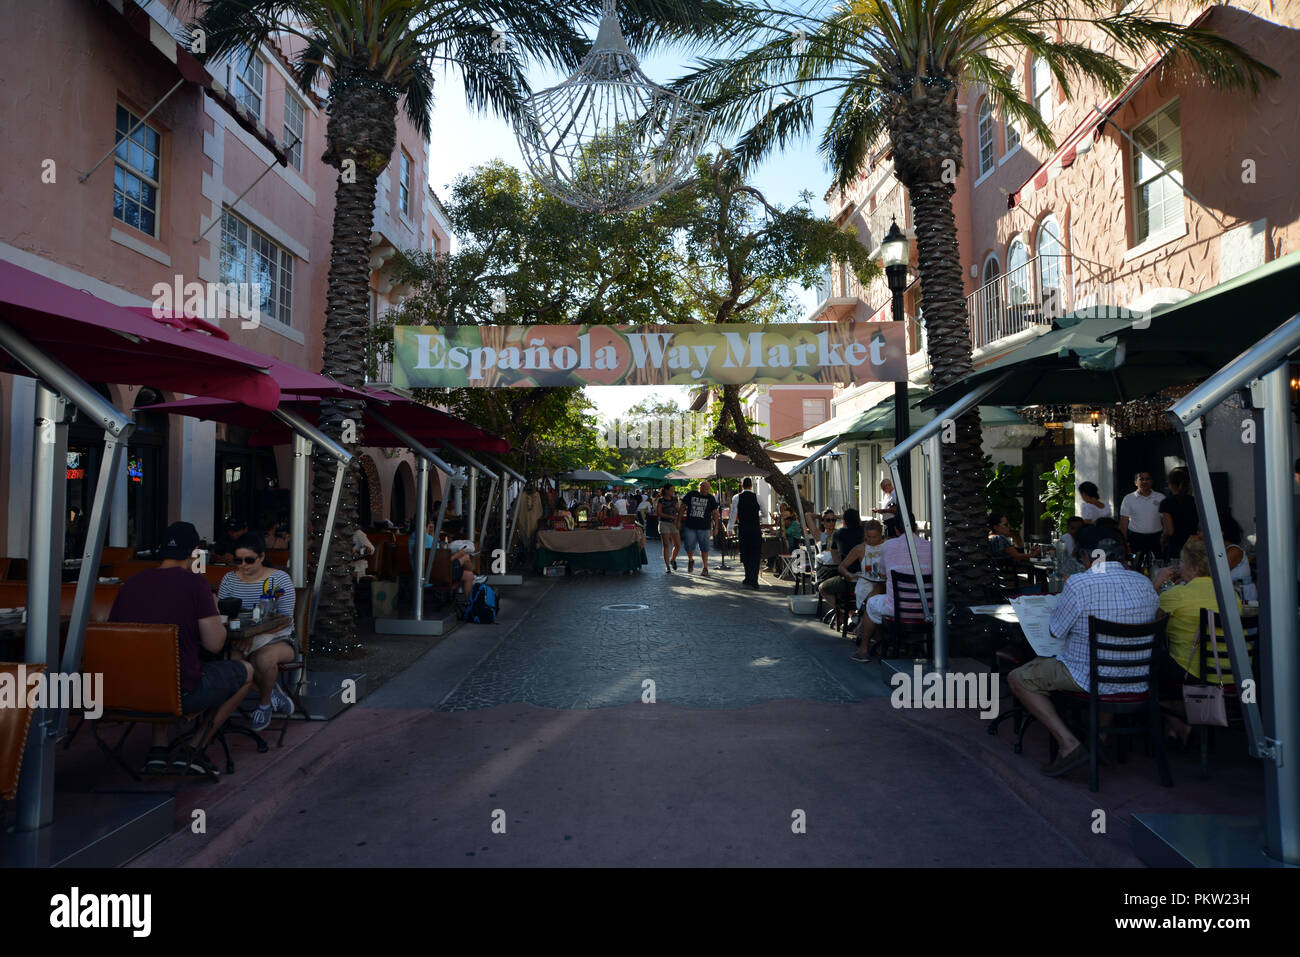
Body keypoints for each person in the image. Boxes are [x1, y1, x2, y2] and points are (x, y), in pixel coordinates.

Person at [108, 521, 253, 776]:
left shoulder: (130, 584)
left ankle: (158, 749)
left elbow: (115, 636)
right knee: (245, 670)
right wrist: (214, 608)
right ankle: (194, 748)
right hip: (181, 694)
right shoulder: (195, 584)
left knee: (160, 665)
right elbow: (215, 644)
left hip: (128, 692)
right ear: (194, 552)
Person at [1007, 538, 1160, 777]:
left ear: (1090, 557)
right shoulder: (1145, 582)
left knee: (1018, 678)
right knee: (1105, 666)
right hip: (1138, 677)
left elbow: (1055, 631)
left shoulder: (1080, 583)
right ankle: (1099, 739)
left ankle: (1069, 745)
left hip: (1089, 676)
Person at [1152, 538, 1242, 745]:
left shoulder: (1177, 595)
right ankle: (1178, 726)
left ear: (1193, 568)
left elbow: (1150, 623)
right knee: (1167, 664)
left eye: (1181, 563)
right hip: (1231, 671)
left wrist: (1156, 584)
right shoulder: (1231, 595)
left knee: (1150, 664)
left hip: (1195, 672)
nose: (1179, 567)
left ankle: (1178, 724)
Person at [218, 533, 297, 732]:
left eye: (249, 560)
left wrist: (254, 636)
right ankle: (271, 693)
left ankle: (264, 704)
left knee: (263, 659)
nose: (243, 565)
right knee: (232, 665)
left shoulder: (279, 579)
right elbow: (221, 613)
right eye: (238, 560)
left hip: (280, 638)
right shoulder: (229, 579)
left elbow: (286, 619)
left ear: (261, 557)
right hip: (239, 639)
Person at [852, 521, 931, 661]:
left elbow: (882, 574)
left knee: (871, 602)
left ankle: (863, 650)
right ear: (916, 527)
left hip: (896, 610)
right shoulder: (930, 547)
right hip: (928, 610)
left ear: (895, 530)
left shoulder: (889, 546)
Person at [838, 519, 887, 627]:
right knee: (871, 590)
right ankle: (864, 621)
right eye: (868, 537)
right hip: (866, 582)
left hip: (885, 582)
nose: (871, 540)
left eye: (874, 537)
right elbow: (842, 567)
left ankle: (862, 623)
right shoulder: (860, 548)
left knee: (880, 588)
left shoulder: (887, 546)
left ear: (880, 535)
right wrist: (849, 575)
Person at [819, 508, 865, 603]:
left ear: (844, 521)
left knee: (822, 588)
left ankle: (843, 610)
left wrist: (842, 564)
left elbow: (835, 556)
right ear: (859, 520)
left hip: (847, 579)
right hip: (866, 577)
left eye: (833, 520)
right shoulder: (865, 533)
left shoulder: (838, 534)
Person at [1119, 470, 1165, 558]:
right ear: (1135, 482)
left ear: (1151, 482)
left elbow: (1165, 520)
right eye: (1141, 479)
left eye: (1147, 479)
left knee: (1157, 566)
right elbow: (1123, 523)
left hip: (1156, 539)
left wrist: (1164, 539)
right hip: (1136, 540)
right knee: (1137, 567)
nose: (1145, 481)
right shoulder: (1128, 499)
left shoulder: (1161, 497)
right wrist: (1125, 544)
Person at [680, 480, 720, 576]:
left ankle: (705, 568)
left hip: (704, 527)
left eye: (708, 488)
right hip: (690, 526)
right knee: (688, 546)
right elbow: (682, 507)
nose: (707, 490)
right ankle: (691, 560)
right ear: (700, 487)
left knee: (704, 548)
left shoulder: (710, 498)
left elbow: (715, 513)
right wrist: (678, 520)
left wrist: (716, 527)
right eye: (704, 488)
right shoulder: (691, 494)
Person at [1159, 466, 1198, 560]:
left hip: (1176, 546)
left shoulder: (1167, 502)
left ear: (1171, 484)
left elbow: (1170, 530)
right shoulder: (1194, 501)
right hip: (1193, 543)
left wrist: (1163, 538)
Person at [731, 477, 762, 589]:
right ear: (751, 486)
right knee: (755, 553)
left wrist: (730, 528)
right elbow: (763, 512)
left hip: (743, 528)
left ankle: (748, 577)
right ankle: (754, 579)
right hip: (755, 529)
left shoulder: (736, 497)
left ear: (742, 486)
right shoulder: (757, 497)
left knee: (745, 552)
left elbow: (733, 514)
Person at [656, 483, 683, 573]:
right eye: (671, 490)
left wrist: (679, 518)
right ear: (666, 491)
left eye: (673, 490)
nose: (673, 491)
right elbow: (659, 513)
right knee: (666, 545)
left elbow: (679, 510)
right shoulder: (661, 500)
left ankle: (672, 559)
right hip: (664, 523)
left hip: (673, 524)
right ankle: (667, 566)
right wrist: (669, 516)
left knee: (678, 545)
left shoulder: (675, 499)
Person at [444, 536, 479, 602]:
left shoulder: (423, 541)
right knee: (466, 559)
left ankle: (474, 577)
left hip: (434, 570)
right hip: (442, 573)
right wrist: (458, 554)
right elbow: (444, 560)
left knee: (466, 558)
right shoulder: (432, 541)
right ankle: (469, 603)